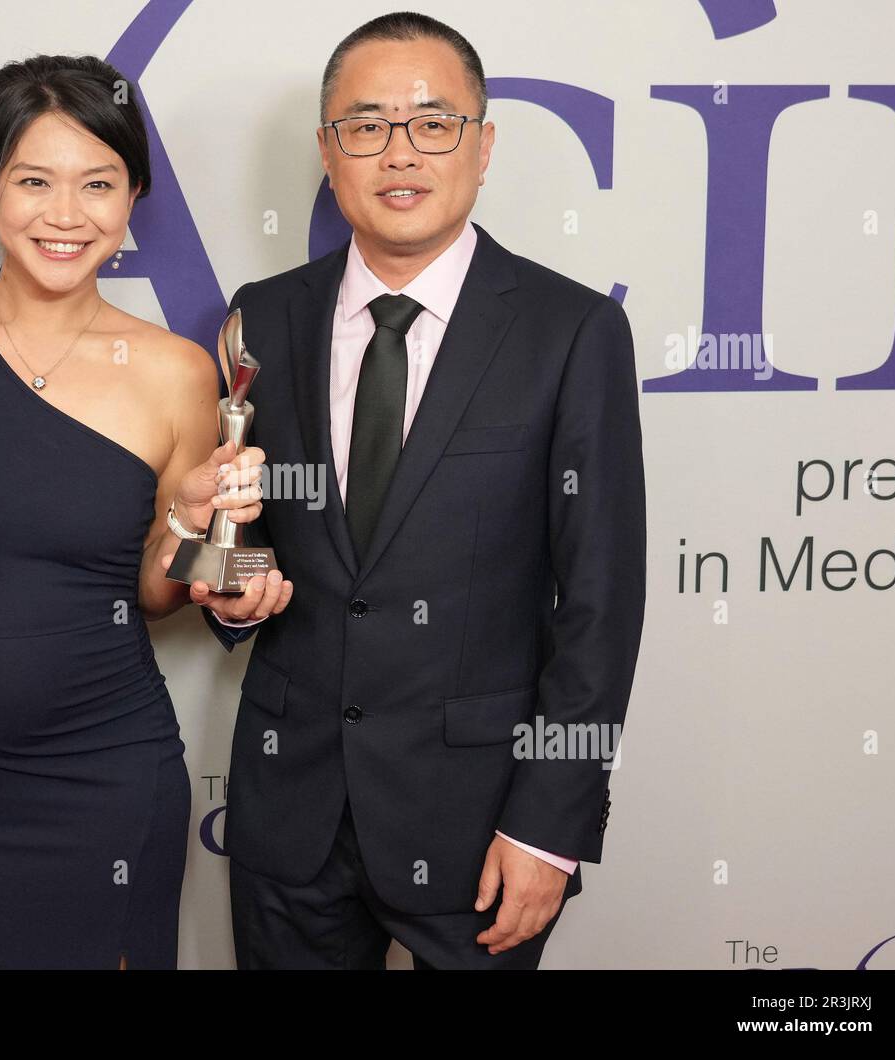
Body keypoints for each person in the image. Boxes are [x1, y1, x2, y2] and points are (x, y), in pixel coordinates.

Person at [165, 12, 646, 969]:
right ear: (327, 150)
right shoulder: (265, 316)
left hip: (480, 824)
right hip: (288, 818)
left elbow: (599, 604)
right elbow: (250, 537)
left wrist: (550, 824)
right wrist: (225, 595)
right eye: (366, 124)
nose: (401, 152)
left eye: (434, 124)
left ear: (484, 145)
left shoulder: (570, 331)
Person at [0, 53, 287, 969]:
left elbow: (155, 593)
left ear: (134, 198)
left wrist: (187, 523)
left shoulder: (176, 371)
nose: (66, 216)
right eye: (35, 181)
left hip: (106, 775)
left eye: (97, 184)